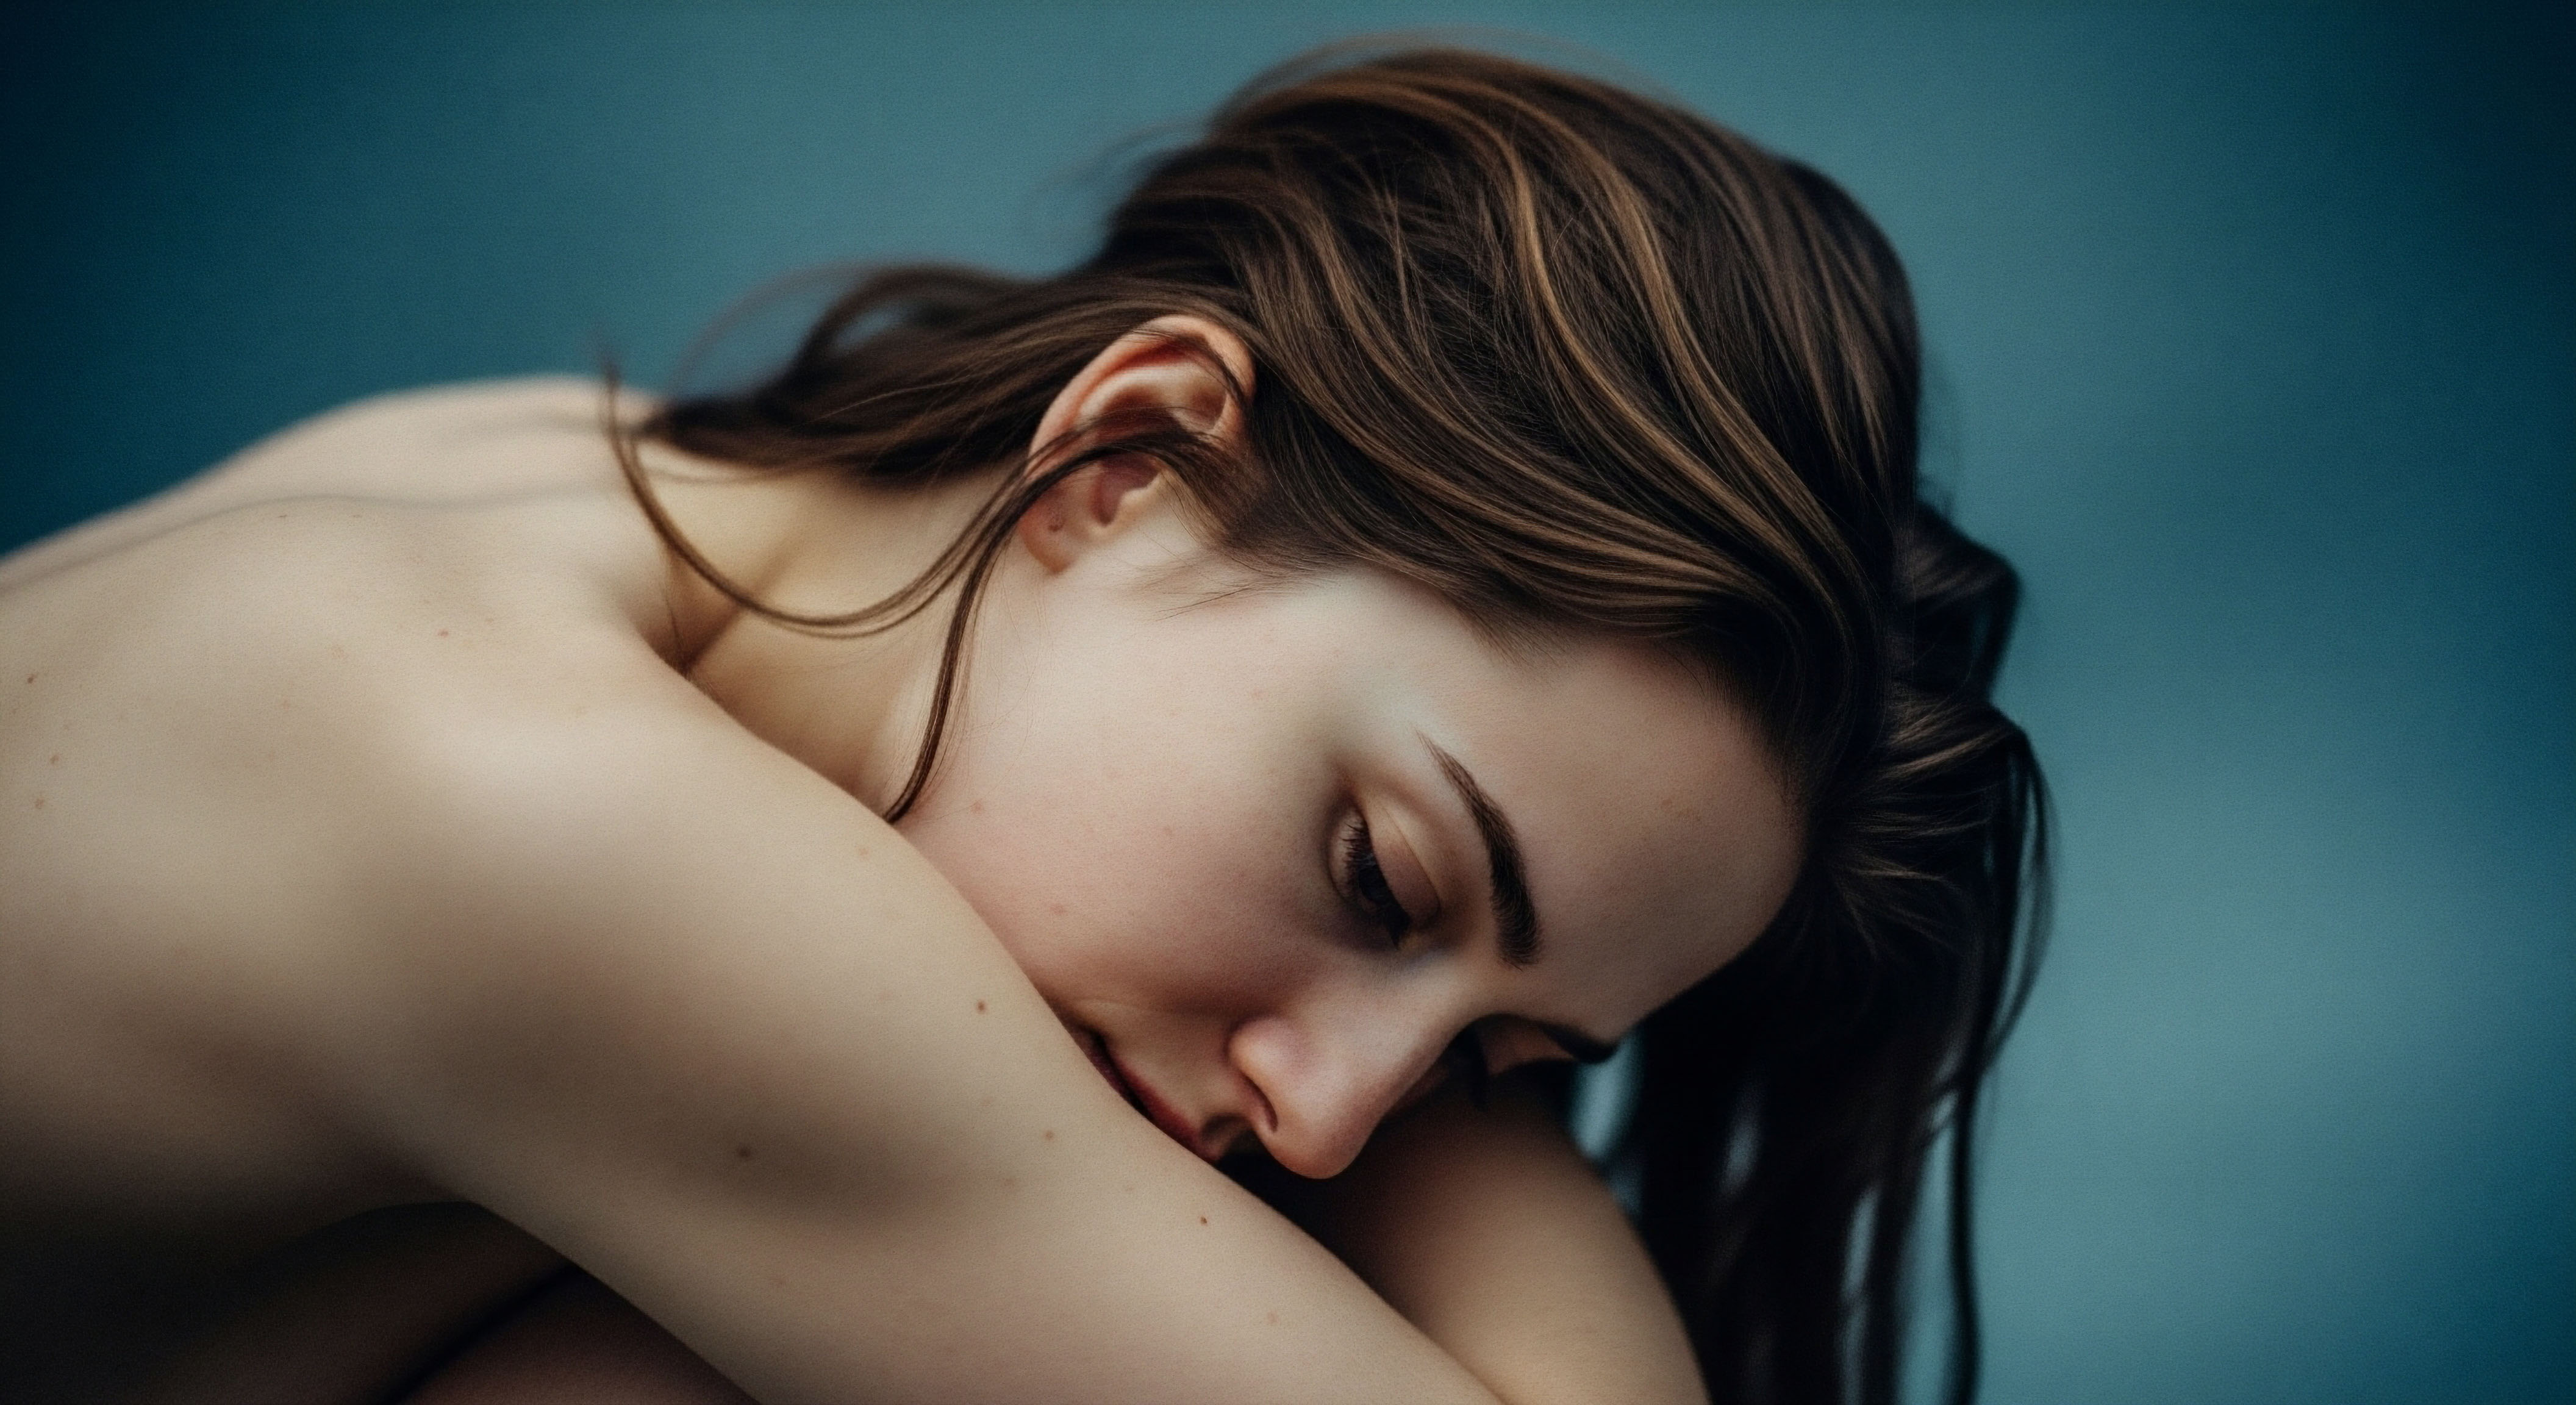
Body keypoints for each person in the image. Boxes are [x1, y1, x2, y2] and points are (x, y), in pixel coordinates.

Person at [0, 43, 2044, 1405]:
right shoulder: (539, 815)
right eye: (1378, 876)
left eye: (1492, 1069)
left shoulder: (574, 478)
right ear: (1129, 459)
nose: (1336, 1123)